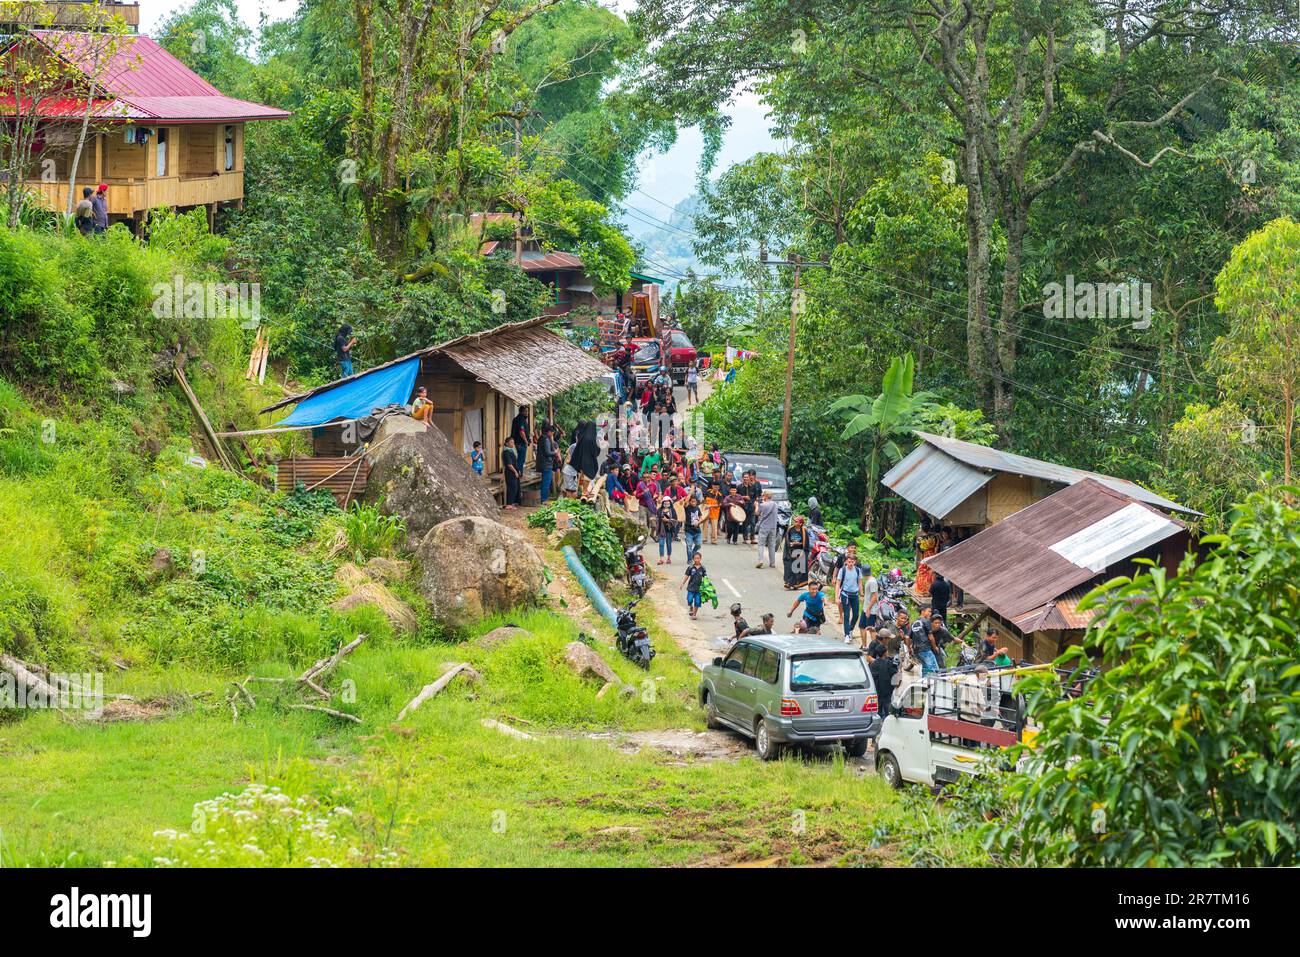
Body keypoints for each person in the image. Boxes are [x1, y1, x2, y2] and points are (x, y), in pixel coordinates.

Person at [836, 554, 865, 644]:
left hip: (855, 595)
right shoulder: (842, 570)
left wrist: (862, 595)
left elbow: (860, 583)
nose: (851, 563)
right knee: (847, 615)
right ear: (846, 562)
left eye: (852, 562)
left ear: (855, 562)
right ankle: (847, 635)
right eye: (849, 562)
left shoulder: (857, 570)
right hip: (845, 595)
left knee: (856, 615)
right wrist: (837, 597)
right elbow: (838, 584)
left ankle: (851, 629)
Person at [869, 636, 901, 717]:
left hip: (877, 692)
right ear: (885, 653)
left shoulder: (873, 664)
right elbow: (896, 675)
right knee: (888, 713)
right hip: (887, 693)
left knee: (878, 713)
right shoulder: (888, 664)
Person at [908, 608, 940, 673]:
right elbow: (931, 637)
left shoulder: (913, 623)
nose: (930, 614)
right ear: (922, 611)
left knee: (925, 669)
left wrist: (910, 648)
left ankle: (924, 682)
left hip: (917, 650)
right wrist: (935, 647)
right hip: (925, 649)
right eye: (929, 611)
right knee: (934, 670)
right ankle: (933, 683)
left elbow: (909, 637)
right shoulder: (926, 621)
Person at [754, 490, 780, 568]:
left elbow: (757, 513)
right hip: (773, 527)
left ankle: (761, 560)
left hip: (764, 527)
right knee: (771, 545)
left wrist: (756, 506)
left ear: (765, 496)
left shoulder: (762, 505)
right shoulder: (775, 504)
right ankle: (772, 563)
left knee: (761, 544)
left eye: (763, 495)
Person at [782, 515, 807, 589]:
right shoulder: (790, 529)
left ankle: (796, 583)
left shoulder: (804, 531)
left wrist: (801, 549)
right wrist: (791, 545)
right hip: (790, 549)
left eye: (796, 521)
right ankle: (789, 582)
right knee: (788, 564)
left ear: (800, 524)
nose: (794, 522)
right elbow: (787, 540)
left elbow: (805, 543)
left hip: (800, 550)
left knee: (798, 566)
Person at [681, 552, 708, 621]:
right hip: (691, 588)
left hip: (699, 589)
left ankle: (694, 614)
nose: (697, 560)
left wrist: (707, 586)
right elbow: (686, 576)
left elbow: (705, 578)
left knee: (697, 602)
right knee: (689, 600)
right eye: (695, 558)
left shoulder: (703, 568)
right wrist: (682, 583)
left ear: (700, 559)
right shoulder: (690, 568)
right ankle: (691, 607)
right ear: (693, 559)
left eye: (698, 558)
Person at [536, 423, 558, 504]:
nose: (552, 434)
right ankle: (544, 499)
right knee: (546, 482)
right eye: (552, 432)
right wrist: (555, 452)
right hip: (546, 464)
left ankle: (543, 498)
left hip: (541, 463)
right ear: (548, 432)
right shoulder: (546, 439)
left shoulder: (541, 438)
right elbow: (547, 452)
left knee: (544, 482)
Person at [655, 495, 678, 564]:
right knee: (661, 544)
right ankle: (661, 559)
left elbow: (675, 520)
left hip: (669, 530)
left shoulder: (672, 510)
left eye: (668, 501)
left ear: (670, 502)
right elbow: (657, 518)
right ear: (662, 502)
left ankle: (668, 558)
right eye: (665, 502)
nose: (666, 503)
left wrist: (667, 520)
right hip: (661, 530)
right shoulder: (659, 510)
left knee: (668, 544)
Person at [683, 492, 703, 561]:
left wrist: (698, 522)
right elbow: (685, 502)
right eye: (692, 501)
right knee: (689, 546)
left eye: (695, 501)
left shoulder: (697, 508)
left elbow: (701, 517)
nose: (693, 503)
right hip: (689, 530)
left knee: (699, 544)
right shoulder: (687, 508)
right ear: (689, 501)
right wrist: (690, 492)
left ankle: (693, 554)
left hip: (697, 530)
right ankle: (689, 560)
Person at [502, 437, 521, 509]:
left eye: (513, 442)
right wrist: (515, 472)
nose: (513, 444)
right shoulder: (506, 451)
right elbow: (509, 464)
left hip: (514, 470)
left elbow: (514, 462)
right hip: (510, 471)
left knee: (515, 487)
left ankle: (512, 503)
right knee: (512, 487)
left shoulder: (511, 450)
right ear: (507, 443)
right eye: (511, 442)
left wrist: (518, 470)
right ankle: (509, 504)